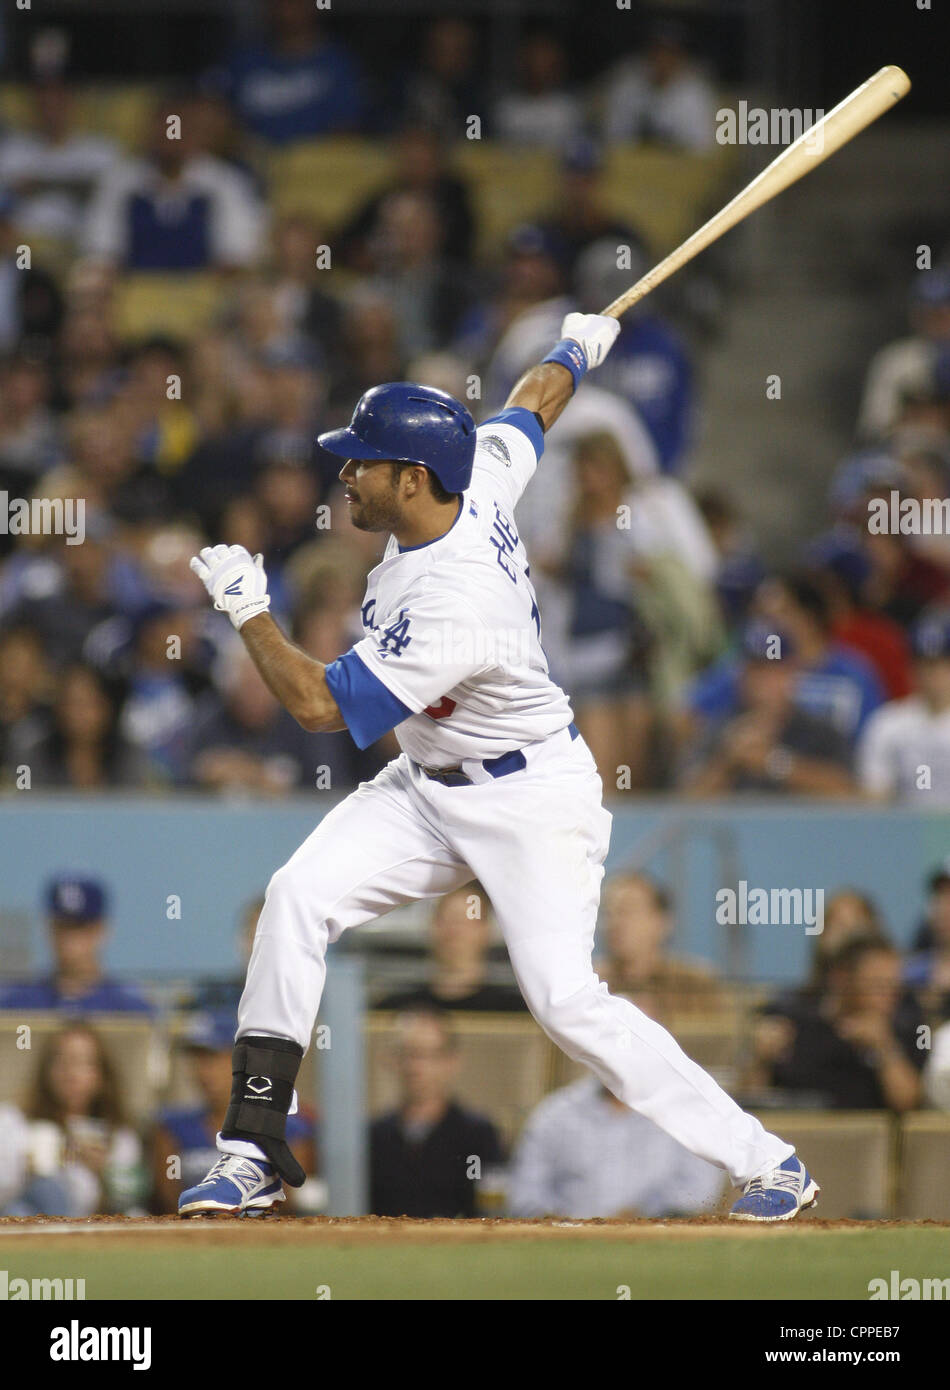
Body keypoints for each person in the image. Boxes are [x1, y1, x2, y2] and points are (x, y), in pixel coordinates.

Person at [179, 307, 817, 1222]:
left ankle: (769, 1162)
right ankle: (250, 1151)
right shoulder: (473, 481)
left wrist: (250, 612)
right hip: (429, 783)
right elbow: (529, 410)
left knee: (564, 1001)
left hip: (530, 798)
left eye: (361, 462)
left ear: (412, 477)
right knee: (296, 896)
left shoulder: (458, 602)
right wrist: (574, 350)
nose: (346, 474)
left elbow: (320, 707)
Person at [152, 1011, 316, 1215]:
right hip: (195, 1230)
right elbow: (171, 1201)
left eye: (214, 1058)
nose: (203, 1071)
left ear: (242, 1059)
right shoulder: (174, 1127)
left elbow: (291, 1200)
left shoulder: (289, 1127)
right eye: (198, 1059)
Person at [745, 936, 924, 1113]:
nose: (892, 997)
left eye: (895, 987)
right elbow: (749, 1103)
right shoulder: (791, 1023)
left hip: (863, 1139)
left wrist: (884, 1048)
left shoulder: (904, 1029)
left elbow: (909, 1105)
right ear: (841, 979)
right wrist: (761, 1061)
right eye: (879, 985)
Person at [683, 622, 855, 797]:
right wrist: (728, 760)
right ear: (742, 677)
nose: (767, 683)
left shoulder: (820, 732)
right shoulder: (719, 729)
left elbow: (848, 792)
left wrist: (772, 762)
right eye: (759, 672)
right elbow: (685, 805)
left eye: (777, 672)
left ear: (794, 673)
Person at [368, 1010, 504, 1218]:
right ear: (394, 1060)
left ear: (451, 1061)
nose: (415, 1067)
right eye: (407, 1054)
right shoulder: (374, 1136)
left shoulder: (477, 1134)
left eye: (428, 1056)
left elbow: (491, 1210)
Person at [1, 1022, 145, 1217]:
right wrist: (26, 1169)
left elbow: (129, 1203)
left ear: (101, 1075)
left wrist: (103, 1173)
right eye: (62, 1061)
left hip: (91, 1232)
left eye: (83, 1063)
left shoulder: (118, 1135)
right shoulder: (15, 1122)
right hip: (31, 1222)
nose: (71, 1074)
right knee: (32, 1198)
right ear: (46, 1070)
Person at [0, 874, 152, 1015]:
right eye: (62, 926)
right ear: (48, 928)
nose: (70, 938)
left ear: (102, 930)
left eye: (80, 927)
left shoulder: (130, 1009)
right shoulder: (16, 1004)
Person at [376, 883, 524, 1013]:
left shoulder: (514, 1012)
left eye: (464, 922)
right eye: (445, 920)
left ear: (486, 929)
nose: (453, 931)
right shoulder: (396, 1009)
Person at [597, 872, 725, 1019]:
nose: (615, 922)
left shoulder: (696, 985)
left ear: (662, 921)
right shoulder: (592, 983)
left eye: (628, 910)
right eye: (608, 913)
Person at [858, 612, 950, 806]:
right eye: (922, 664)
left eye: (940, 664)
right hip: (905, 831)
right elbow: (874, 797)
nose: (930, 674)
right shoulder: (888, 722)